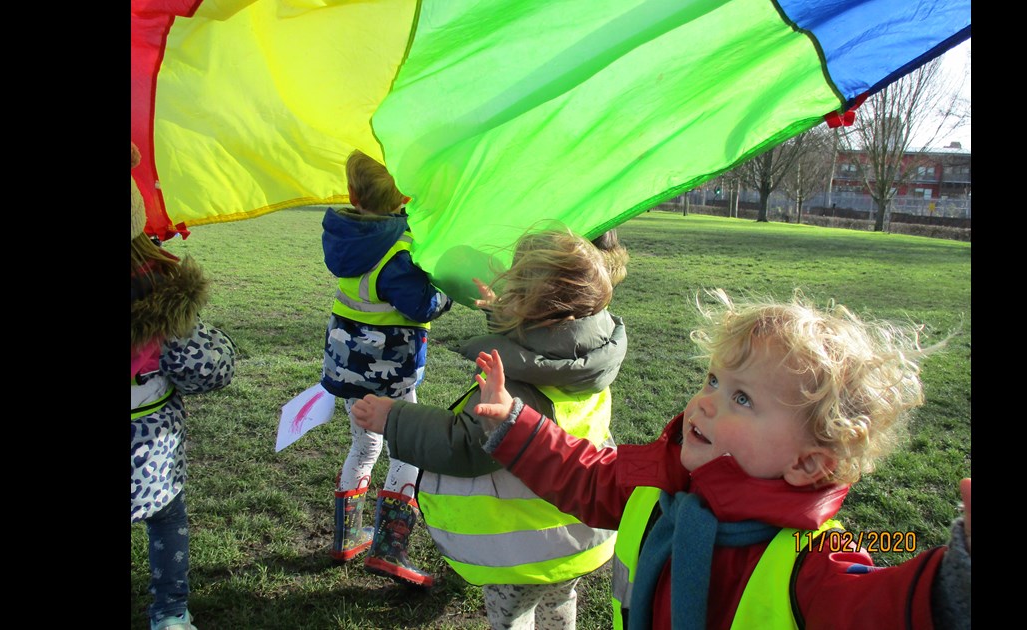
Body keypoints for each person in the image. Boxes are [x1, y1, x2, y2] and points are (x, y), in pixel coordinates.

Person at [468, 290, 971, 630]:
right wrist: (515, 422)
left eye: (742, 398)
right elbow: (586, 475)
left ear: (805, 464)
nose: (705, 402)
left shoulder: (812, 559)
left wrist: (959, 580)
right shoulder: (664, 479)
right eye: (713, 381)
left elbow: (878, 609)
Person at [353, 228, 627, 630]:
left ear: (529, 306)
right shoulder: (591, 355)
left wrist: (393, 417)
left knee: (512, 617)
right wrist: (504, 311)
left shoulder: (518, 387)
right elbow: (546, 337)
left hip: (527, 548)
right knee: (559, 600)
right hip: (581, 536)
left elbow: (464, 443)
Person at [320, 150, 451, 588]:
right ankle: (390, 550)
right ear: (404, 196)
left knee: (363, 445)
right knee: (406, 450)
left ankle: (348, 537)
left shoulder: (345, 237)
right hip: (390, 374)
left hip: (348, 369)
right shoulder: (397, 252)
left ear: (352, 194)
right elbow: (421, 305)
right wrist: (446, 294)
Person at [131, 141, 236, 630]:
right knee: (167, 518)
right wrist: (219, 348)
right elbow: (203, 368)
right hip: (148, 442)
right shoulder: (158, 287)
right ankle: (170, 613)